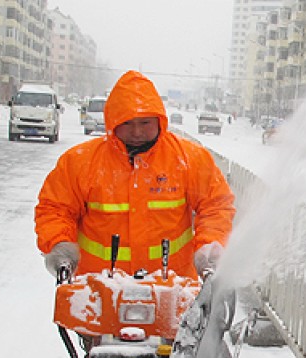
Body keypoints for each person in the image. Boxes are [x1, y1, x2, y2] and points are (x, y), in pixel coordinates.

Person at [34, 70, 235, 280]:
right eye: (127, 123)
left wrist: (210, 245)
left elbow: (216, 205)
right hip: (97, 290)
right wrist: (59, 244)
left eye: (145, 123)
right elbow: (55, 209)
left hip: (172, 288)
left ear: (159, 121)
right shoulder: (79, 162)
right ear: (112, 122)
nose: (137, 132)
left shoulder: (189, 159)